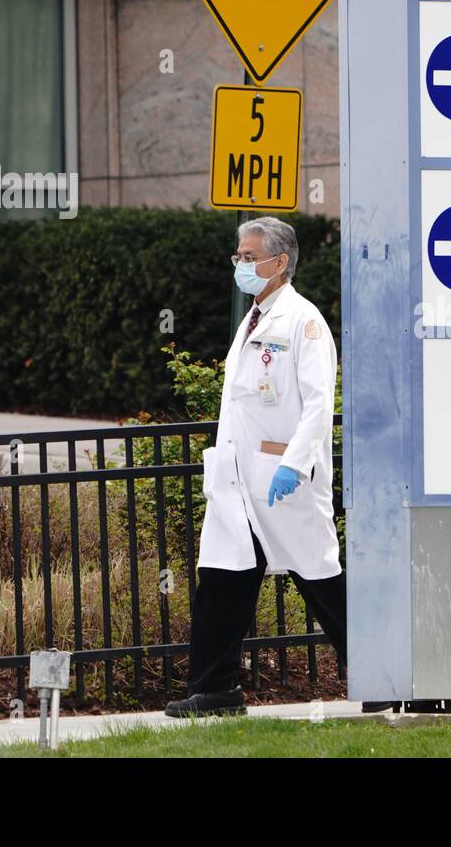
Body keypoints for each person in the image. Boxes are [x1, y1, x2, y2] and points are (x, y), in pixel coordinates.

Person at [167, 216, 347, 717]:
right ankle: (215, 689)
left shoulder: (303, 321)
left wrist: (294, 464)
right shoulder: (254, 318)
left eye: (250, 257)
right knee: (221, 579)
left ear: (280, 262)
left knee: (322, 580)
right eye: (239, 257)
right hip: (237, 478)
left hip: (282, 479)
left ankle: (383, 673)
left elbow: (319, 403)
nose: (241, 265)